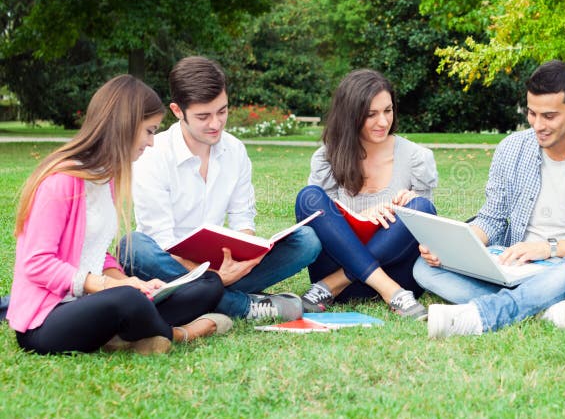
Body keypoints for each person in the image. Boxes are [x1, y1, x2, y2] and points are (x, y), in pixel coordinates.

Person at [7, 75, 231, 355]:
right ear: (124, 126)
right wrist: (108, 286)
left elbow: (97, 252)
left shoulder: (105, 179)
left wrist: (125, 281)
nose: (151, 142)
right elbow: (37, 263)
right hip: (48, 320)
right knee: (126, 299)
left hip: (95, 302)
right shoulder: (61, 180)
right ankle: (175, 333)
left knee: (208, 284)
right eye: (149, 131)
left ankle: (130, 332)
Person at [416, 60, 565, 337]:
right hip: (513, 264)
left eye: (549, 116)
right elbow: (492, 219)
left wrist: (549, 248)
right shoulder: (511, 148)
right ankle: (542, 309)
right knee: (424, 266)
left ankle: (485, 315)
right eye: (532, 113)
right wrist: (455, 245)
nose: (538, 125)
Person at [118, 56, 321, 321]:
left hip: (225, 268)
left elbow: (242, 220)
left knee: (307, 241)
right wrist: (214, 277)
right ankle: (244, 306)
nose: (216, 124)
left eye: (222, 111)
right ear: (178, 110)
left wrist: (244, 258)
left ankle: (206, 298)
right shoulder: (154, 155)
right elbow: (162, 241)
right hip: (170, 269)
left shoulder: (234, 150)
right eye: (203, 116)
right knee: (133, 248)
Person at [294, 69, 437, 319]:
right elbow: (322, 225)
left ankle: (340, 282)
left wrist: (410, 206)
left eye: (387, 110)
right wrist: (363, 215)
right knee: (309, 197)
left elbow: (427, 236)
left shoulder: (417, 158)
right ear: (350, 115)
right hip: (340, 272)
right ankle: (388, 291)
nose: (383, 122)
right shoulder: (327, 158)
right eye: (371, 114)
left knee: (422, 207)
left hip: (391, 276)